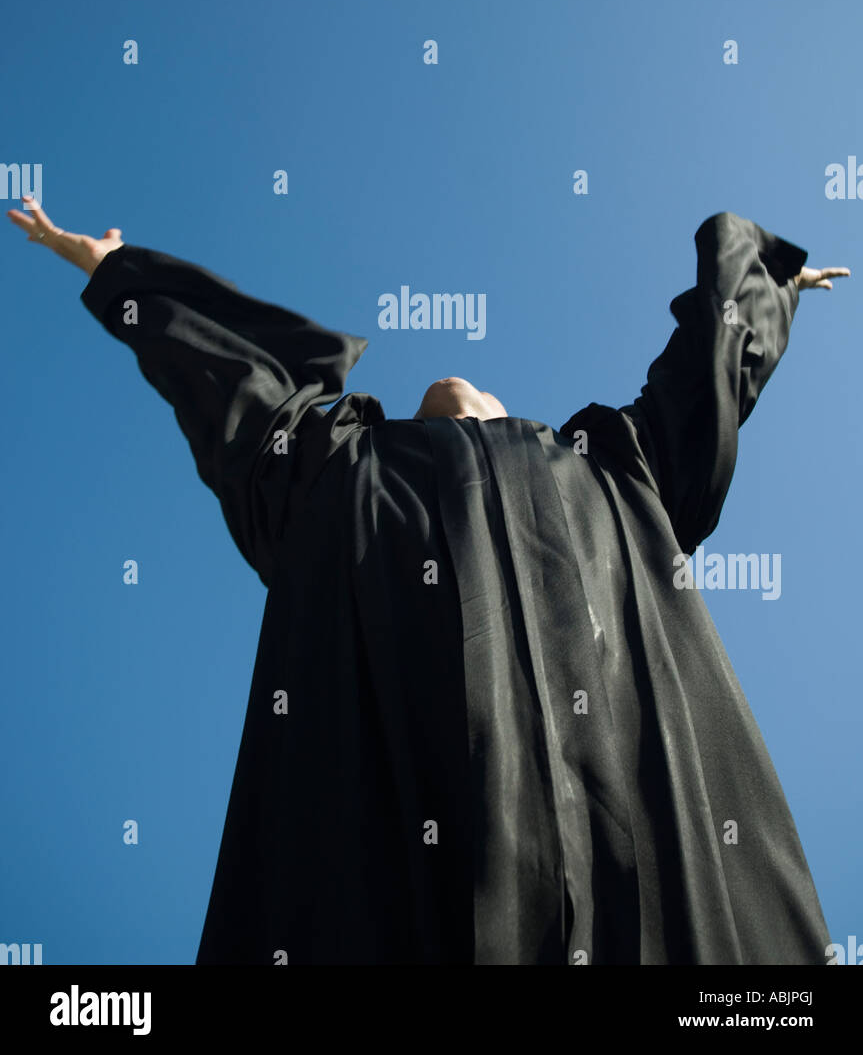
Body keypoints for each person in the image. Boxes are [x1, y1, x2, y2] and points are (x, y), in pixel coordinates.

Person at [8, 195, 849, 966]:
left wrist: (770, 285)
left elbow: (705, 372)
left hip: (625, 843)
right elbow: (229, 380)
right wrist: (113, 273)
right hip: (402, 867)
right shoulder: (328, 474)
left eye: (480, 388)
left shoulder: (610, 471)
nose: (456, 381)